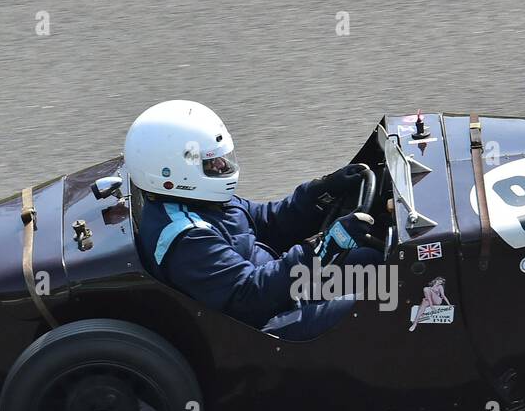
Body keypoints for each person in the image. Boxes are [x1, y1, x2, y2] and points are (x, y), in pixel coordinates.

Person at [126, 100, 384, 340]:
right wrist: (323, 249)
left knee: (376, 264)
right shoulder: (187, 237)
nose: (221, 166)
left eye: (220, 157)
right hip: (261, 326)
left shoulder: (200, 202)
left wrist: (322, 192)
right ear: (170, 170)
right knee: (386, 301)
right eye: (208, 161)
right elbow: (250, 297)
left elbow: (268, 221)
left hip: (279, 285)